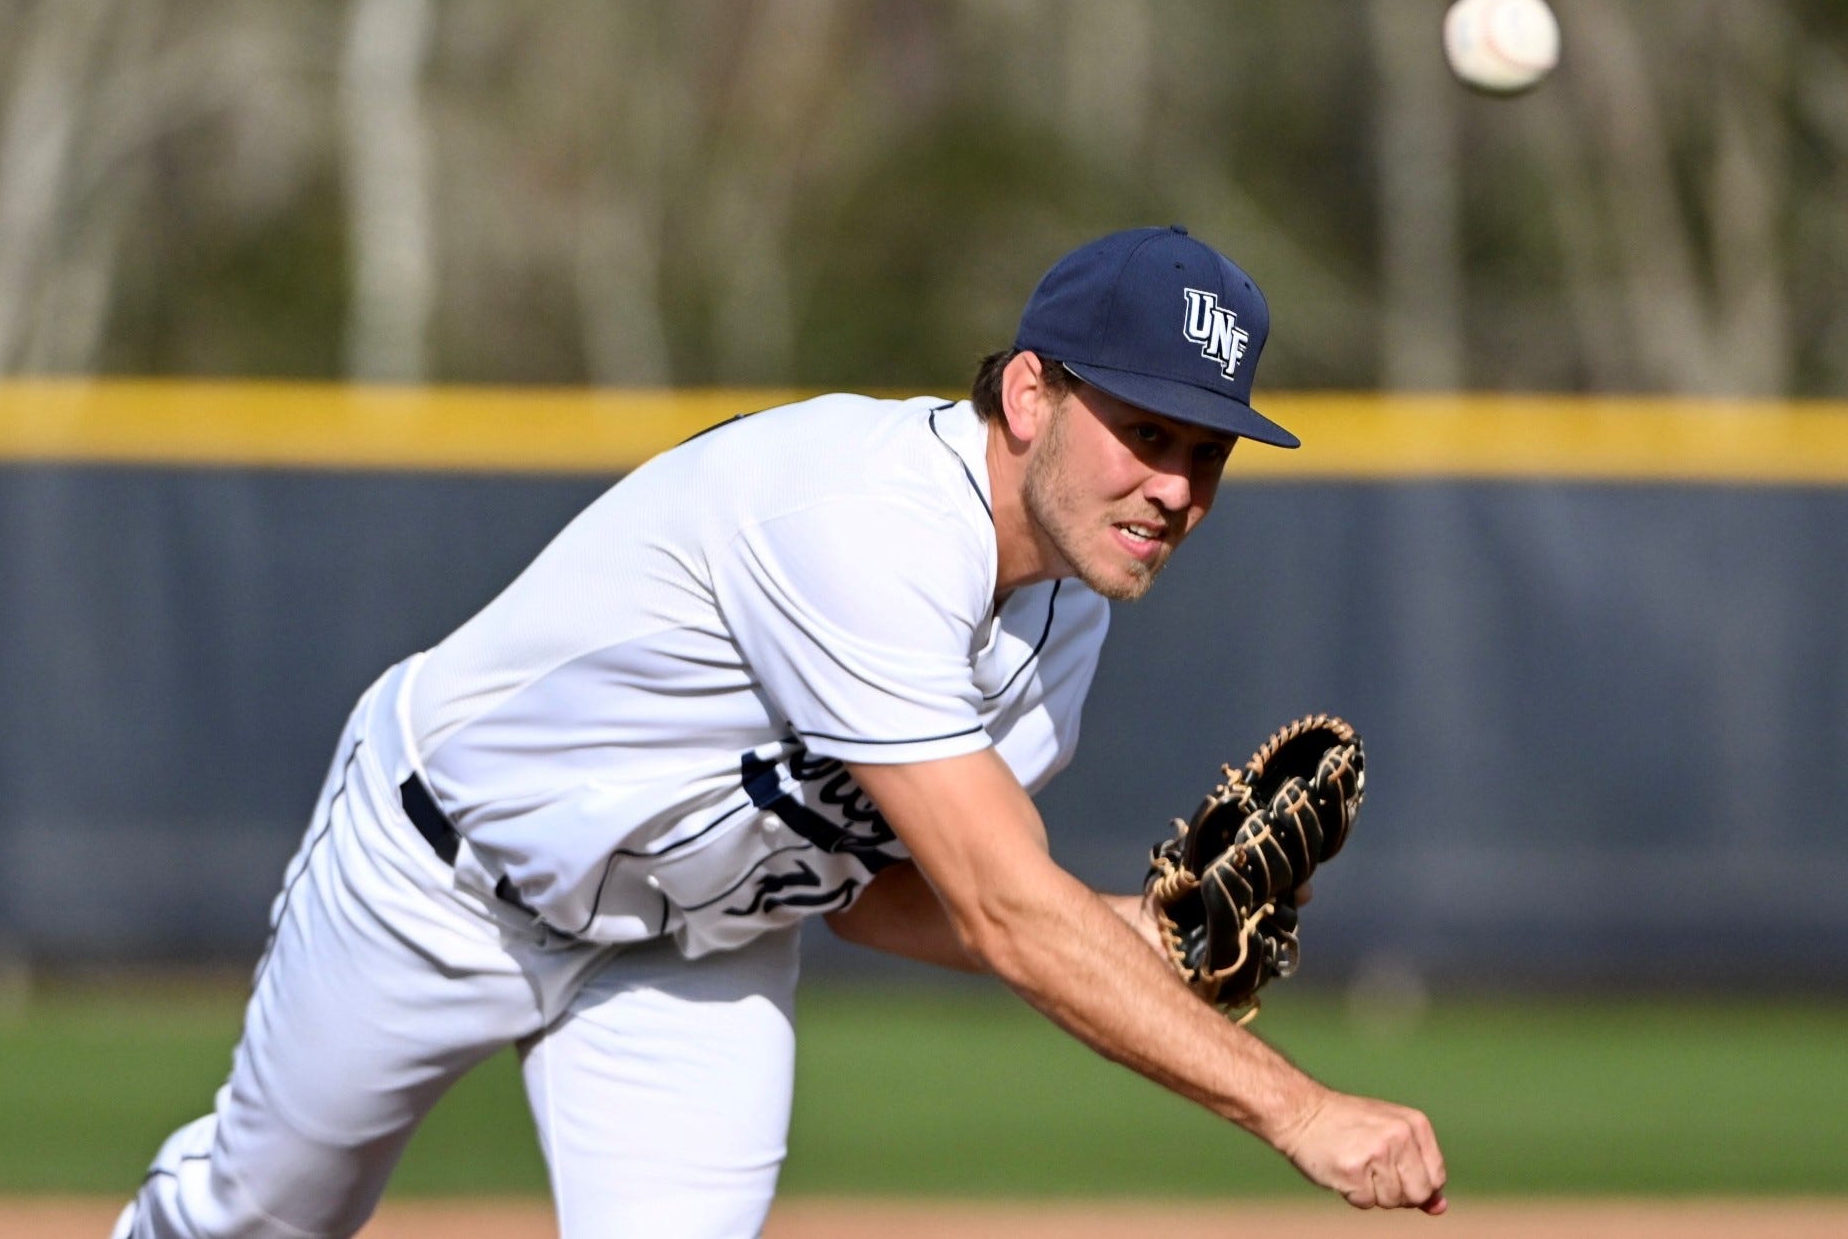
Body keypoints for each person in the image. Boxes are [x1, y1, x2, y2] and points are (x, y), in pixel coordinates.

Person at [113, 226, 1446, 1239]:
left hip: (688, 944)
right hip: (441, 875)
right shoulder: (864, 521)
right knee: (256, 1218)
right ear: (1032, 394)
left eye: (1208, 451)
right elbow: (1000, 905)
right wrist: (1299, 1105)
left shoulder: (1068, 615)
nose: (1176, 487)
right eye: (1146, 431)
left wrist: (1135, 929)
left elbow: (864, 890)